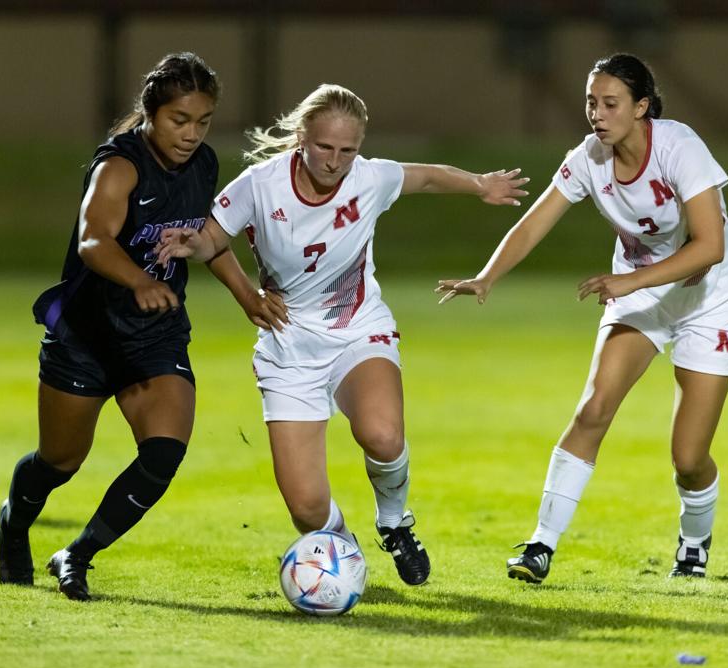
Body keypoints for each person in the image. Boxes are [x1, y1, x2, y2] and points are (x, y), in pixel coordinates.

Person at [156, 83, 528, 586]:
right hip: (287, 345)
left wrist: (481, 184)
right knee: (308, 508)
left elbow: (427, 179)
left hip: (358, 330)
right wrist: (191, 244)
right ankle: (345, 556)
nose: (334, 162)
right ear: (301, 137)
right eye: (324, 148)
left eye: (347, 150)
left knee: (381, 433)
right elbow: (213, 240)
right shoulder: (261, 185)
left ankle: (395, 522)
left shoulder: (369, 179)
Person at [437, 53, 728, 581]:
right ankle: (540, 545)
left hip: (712, 298)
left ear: (642, 108)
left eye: (610, 103)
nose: (597, 114)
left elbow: (711, 246)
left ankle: (695, 542)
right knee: (593, 409)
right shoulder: (589, 156)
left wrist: (629, 281)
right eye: (591, 102)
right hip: (641, 294)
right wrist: (487, 276)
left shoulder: (680, 147)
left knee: (688, 456)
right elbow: (537, 220)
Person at [0, 53, 279, 601]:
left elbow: (203, 236)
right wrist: (139, 281)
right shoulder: (119, 166)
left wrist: (247, 295)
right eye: (180, 120)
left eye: (203, 121)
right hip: (87, 336)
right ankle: (15, 522)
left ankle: (76, 554)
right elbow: (93, 240)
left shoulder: (203, 165)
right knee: (59, 461)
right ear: (150, 113)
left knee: (164, 452)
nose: (192, 134)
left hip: (155, 334)